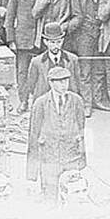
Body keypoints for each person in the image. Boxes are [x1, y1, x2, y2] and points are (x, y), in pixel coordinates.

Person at [25, 66, 86, 200]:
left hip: (71, 158)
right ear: (51, 83)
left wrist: (82, 161)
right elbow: (33, 136)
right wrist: (32, 173)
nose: (64, 85)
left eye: (66, 81)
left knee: (73, 197)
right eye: (60, 81)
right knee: (50, 198)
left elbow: (81, 131)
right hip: (49, 159)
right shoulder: (40, 103)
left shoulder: (77, 101)